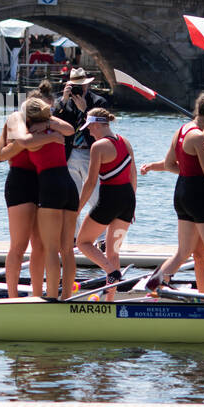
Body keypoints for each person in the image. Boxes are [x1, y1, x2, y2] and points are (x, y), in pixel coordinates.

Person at [139, 90, 204, 295]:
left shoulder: (181, 130)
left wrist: (190, 171)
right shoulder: (199, 137)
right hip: (200, 194)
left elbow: (169, 164)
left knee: (183, 252)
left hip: (181, 192)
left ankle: (153, 284)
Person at [0, 81, 72, 297]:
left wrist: (48, 130)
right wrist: (43, 136)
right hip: (20, 181)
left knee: (40, 245)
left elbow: (67, 130)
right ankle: (12, 297)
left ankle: (37, 295)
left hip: (44, 180)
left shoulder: (45, 120)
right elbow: (1, 154)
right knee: (18, 246)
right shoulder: (15, 119)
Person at [11, 96, 79, 301]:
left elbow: (23, 142)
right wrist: (50, 126)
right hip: (69, 185)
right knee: (67, 250)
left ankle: (50, 299)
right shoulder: (56, 129)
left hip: (51, 185)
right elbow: (70, 129)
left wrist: (42, 127)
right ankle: (66, 297)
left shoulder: (30, 134)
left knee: (50, 249)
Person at [75, 108, 136, 301]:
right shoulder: (125, 142)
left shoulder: (98, 147)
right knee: (113, 253)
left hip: (109, 200)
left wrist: (77, 209)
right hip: (128, 199)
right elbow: (132, 175)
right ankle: (110, 299)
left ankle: (112, 272)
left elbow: (90, 182)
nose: (89, 132)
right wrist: (131, 206)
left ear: (96, 124)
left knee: (83, 242)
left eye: (89, 128)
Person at [54, 67, 107, 209]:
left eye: (82, 84)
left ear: (87, 84)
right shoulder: (63, 103)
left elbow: (102, 127)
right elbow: (52, 121)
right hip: (69, 153)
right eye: (76, 85)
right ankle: (73, 231)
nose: (80, 88)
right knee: (71, 200)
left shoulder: (98, 102)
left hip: (90, 152)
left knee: (96, 198)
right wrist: (64, 101)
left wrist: (85, 111)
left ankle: (99, 231)